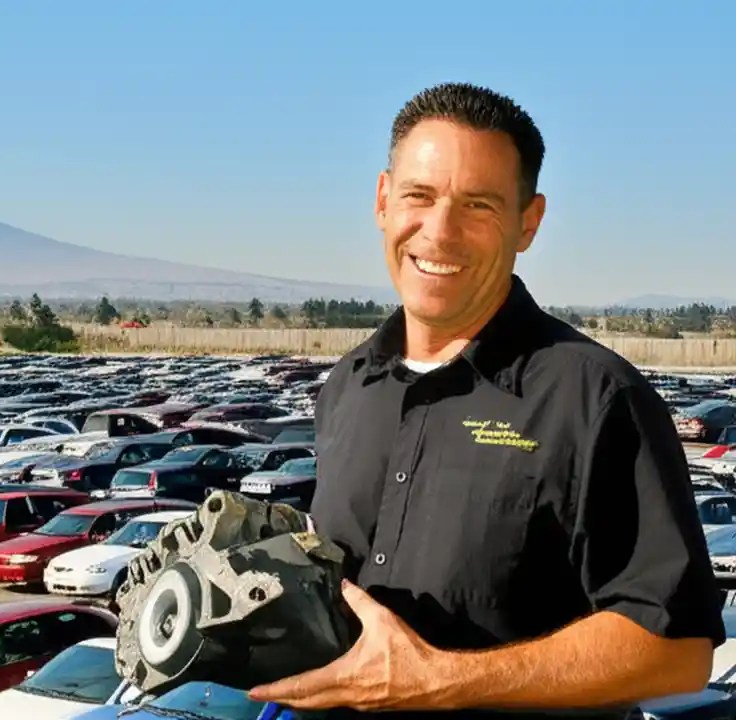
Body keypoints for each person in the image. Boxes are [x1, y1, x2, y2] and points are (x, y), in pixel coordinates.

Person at [248, 82, 724, 717]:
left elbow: (678, 650)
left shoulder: (595, 397)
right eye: (419, 196)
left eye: (478, 206)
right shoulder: (348, 386)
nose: (440, 233)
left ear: (528, 222)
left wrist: (443, 680)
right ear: (383, 200)